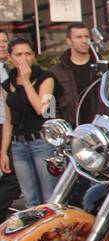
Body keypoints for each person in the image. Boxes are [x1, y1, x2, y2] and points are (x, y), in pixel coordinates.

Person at [1, 37, 58, 207]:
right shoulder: (7, 84)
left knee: (49, 197)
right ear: (10, 57)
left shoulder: (46, 77)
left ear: (34, 56)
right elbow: (9, 120)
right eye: (18, 54)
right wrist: (3, 151)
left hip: (41, 142)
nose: (23, 58)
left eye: (27, 53)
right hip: (19, 145)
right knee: (30, 199)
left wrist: (26, 81)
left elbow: (41, 109)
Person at [49, 23, 109, 127]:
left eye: (87, 37)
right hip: (74, 130)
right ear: (68, 41)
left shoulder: (105, 67)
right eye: (79, 37)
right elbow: (52, 103)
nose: (84, 41)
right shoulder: (57, 72)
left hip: (105, 128)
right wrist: (62, 127)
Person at [0, 32, 20, 215]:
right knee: (12, 175)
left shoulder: (9, 70)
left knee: (12, 175)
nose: (2, 45)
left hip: (11, 126)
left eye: (5, 41)